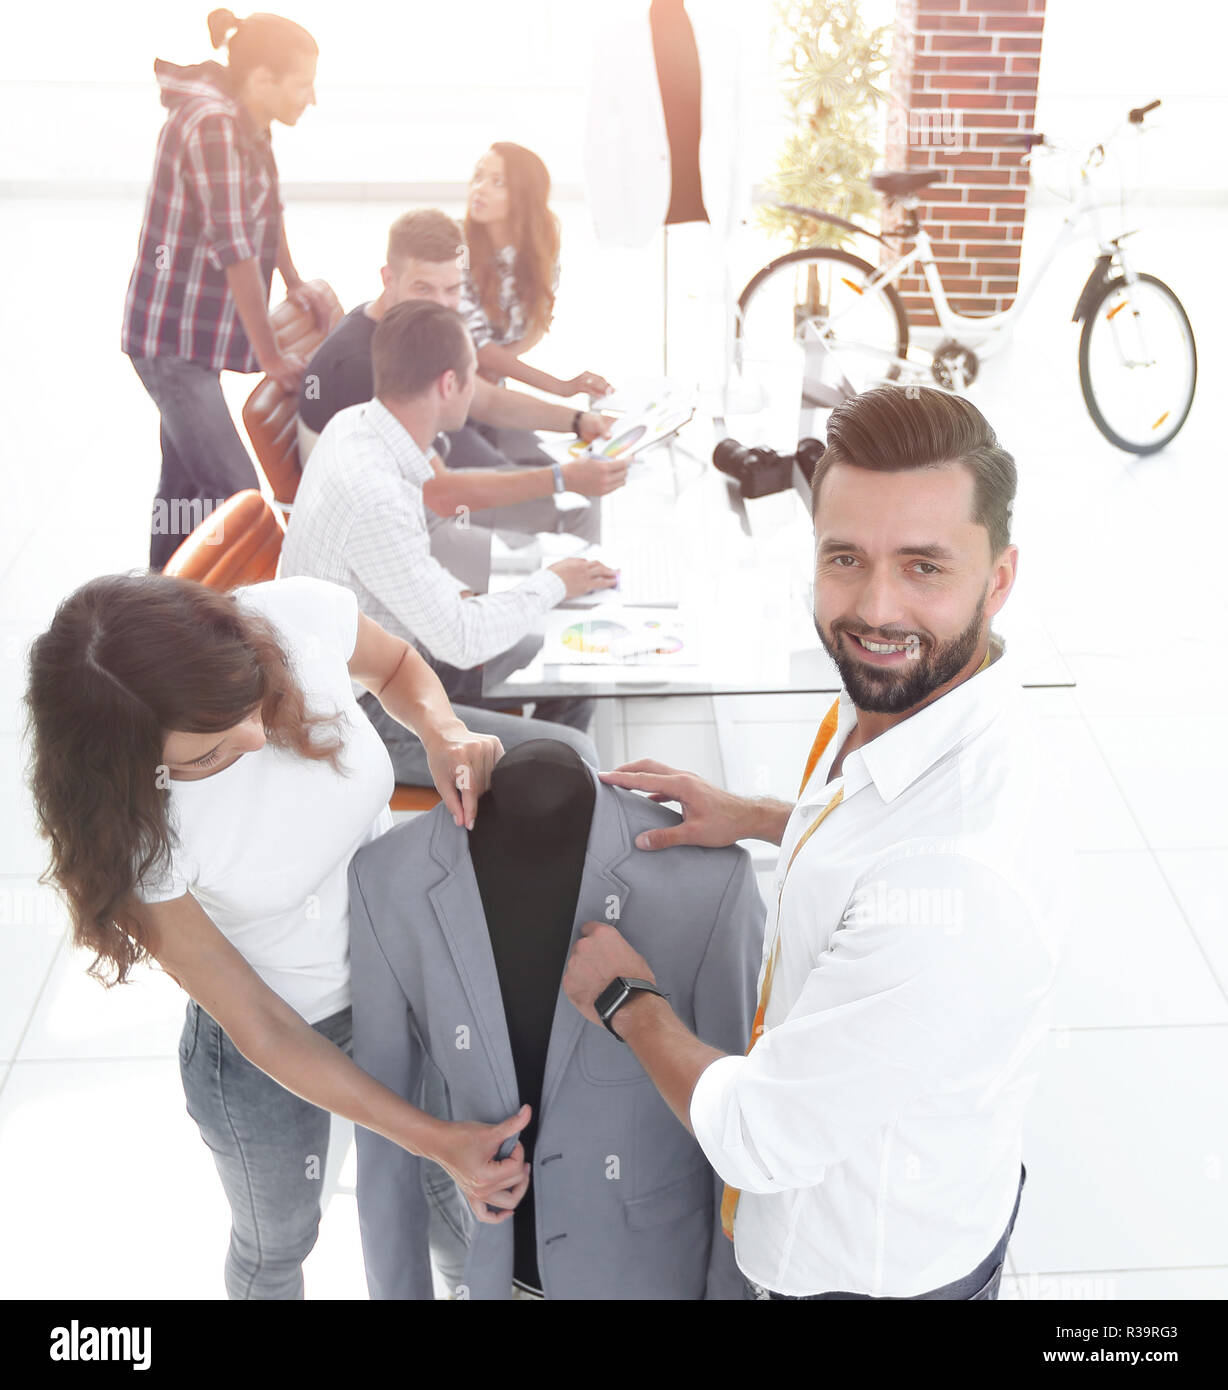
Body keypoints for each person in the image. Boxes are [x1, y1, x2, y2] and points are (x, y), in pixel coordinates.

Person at [562, 386, 1075, 1301]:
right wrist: (765, 816)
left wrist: (628, 1001)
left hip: (864, 1274)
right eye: (846, 557)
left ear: (1000, 579)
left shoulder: (952, 886)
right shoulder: (923, 692)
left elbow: (761, 1137)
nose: (876, 610)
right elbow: (873, 826)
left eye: (925, 567)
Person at [23, 570, 533, 1299]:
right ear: (134, 770)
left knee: (447, 1200)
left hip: (400, 987)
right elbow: (259, 1023)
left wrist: (443, 731)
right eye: (208, 755)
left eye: (250, 702)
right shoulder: (137, 837)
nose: (259, 736)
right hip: (270, 1038)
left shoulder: (290, 618)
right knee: (279, 1243)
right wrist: (432, 1137)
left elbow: (392, 666)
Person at [281, 300, 619, 787]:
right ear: (447, 385)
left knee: (568, 671)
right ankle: (544, 789)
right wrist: (554, 582)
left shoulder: (357, 424)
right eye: (473, 375)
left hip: (400, 654)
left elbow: (408, 572)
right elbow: (461, 642)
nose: (478, 388)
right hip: (360, 712)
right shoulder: (372, 493)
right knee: (576, 755)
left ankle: (537, 801)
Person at [122, 9, 333, 571]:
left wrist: (293, 279)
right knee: (238, 494)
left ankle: (156, 606)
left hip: (194, 343)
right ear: (263, 78)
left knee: (184, 492)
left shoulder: (247, 117)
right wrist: (269, 354)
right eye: (303, 84)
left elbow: (266, 212)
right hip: (170, 344)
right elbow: (235, 245)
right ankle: (244, 627)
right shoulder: (211, 123)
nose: (311, 99)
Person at [296, 210, 626, 542]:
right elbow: (437, 492)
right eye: (423, 288)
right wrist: (560, 479)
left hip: (445, 453)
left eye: (451, 289)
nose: (441, 305)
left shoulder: (412, 326)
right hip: (408, 508)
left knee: (578, 469)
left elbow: (484, 399)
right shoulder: (361, 369)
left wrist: (578, 420)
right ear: (388, 278)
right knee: (575, 509)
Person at [462, 143, 611, 407]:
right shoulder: (455, 245)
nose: (479, 189)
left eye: (498, 182)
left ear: (523, 196)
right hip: (441, 391)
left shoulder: (540, 253)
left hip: (488, 392)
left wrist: (497, 368)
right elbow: (478, 346)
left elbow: (536, 323)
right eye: (478, 176)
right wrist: (562, 387)